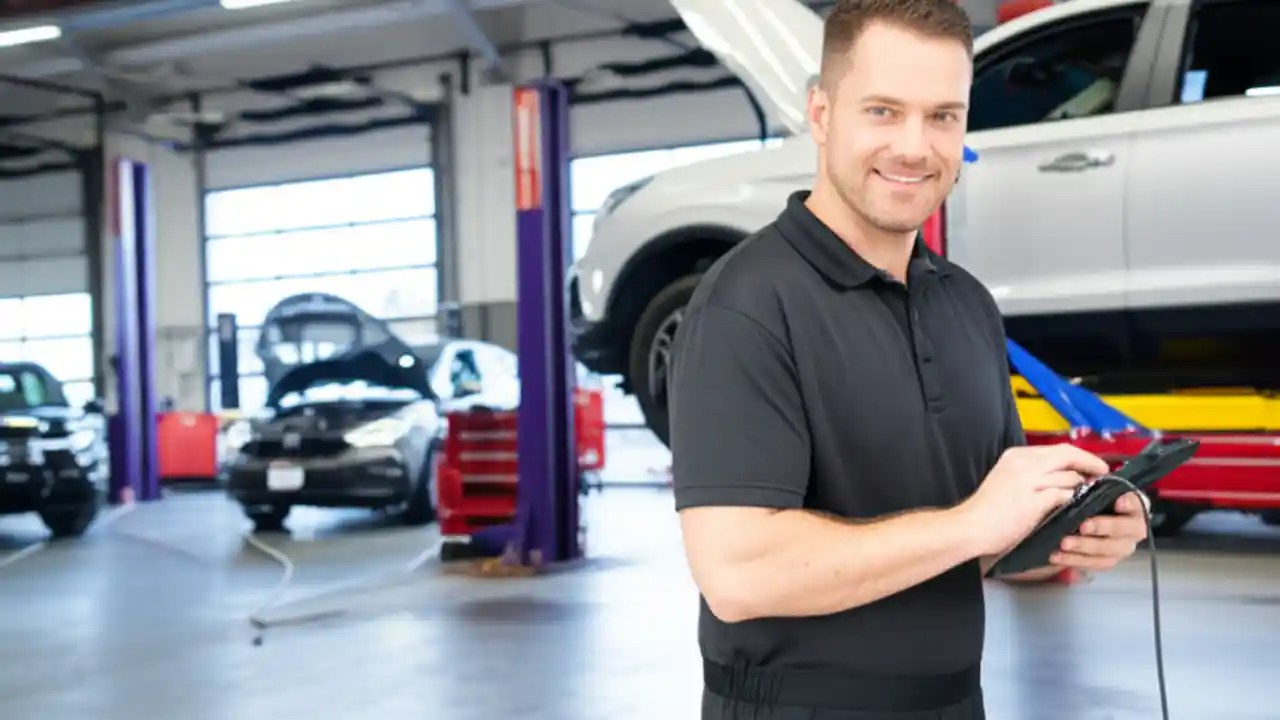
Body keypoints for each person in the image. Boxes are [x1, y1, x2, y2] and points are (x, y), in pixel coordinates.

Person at [666, 0, 1151, 718]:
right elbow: (739, 575)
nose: (915, 148)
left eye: (943, 116)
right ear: (822, 114)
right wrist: (973, 525)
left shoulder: (967, 306)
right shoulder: (747, 304)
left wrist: (1067, 539)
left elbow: (981, 545)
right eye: (883, 112)